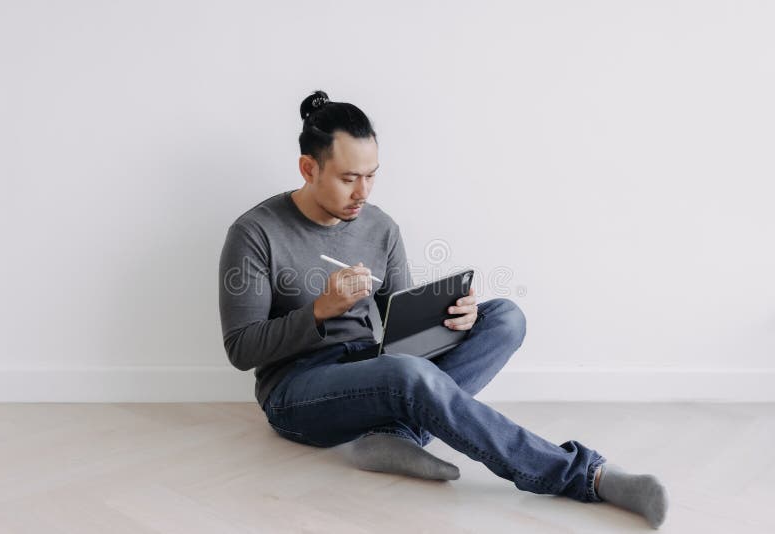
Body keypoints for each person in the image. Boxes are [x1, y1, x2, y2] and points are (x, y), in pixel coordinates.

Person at [218, 90, 669, 528]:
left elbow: (400, 325)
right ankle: (583, 475)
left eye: (372, 175)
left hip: (373, 366)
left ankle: (394, 437)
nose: (363, 192)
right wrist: (319, 310)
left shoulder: (380, 227)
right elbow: (241, 349)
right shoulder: (255, 233)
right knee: (406, 376)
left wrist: (450, 320)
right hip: (297, 391)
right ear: (308, 168)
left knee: (505, 318)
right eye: (349, 178)